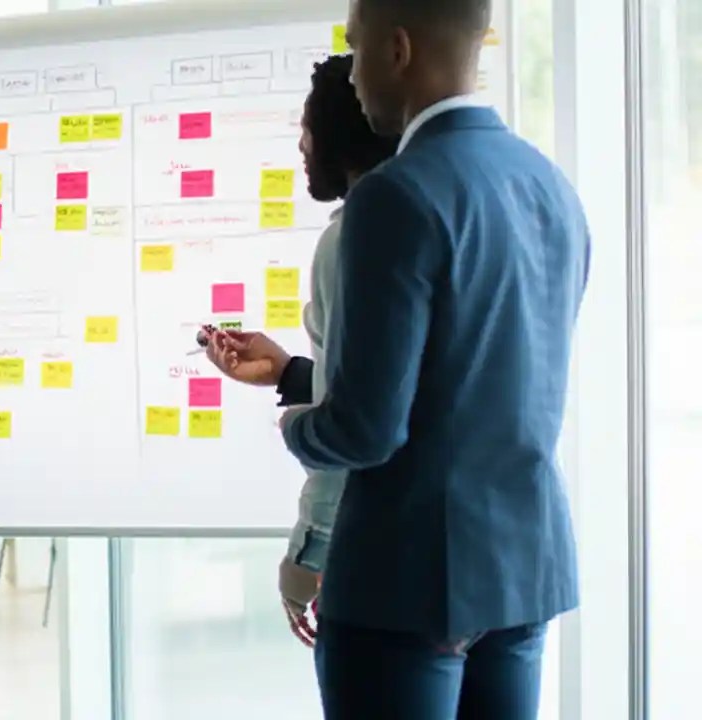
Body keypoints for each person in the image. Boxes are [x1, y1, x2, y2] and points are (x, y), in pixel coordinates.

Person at [251, 0, 584, 717]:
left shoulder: (392, 196)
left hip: (406, 578)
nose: (355, 73)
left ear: (397, 50)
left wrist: (294, 424)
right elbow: (475, 380)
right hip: (525, 569)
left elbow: (364, 431)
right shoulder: (549, 185)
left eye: (358, 46)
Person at [205, 54, 397, 647]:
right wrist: (288, 372)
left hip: (369, 563)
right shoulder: (426, 220)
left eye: (307, 129)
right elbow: (387, 385)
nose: (301, 147)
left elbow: (355, 432)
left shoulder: (353, 240)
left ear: (338, 135)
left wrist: (307, 557)